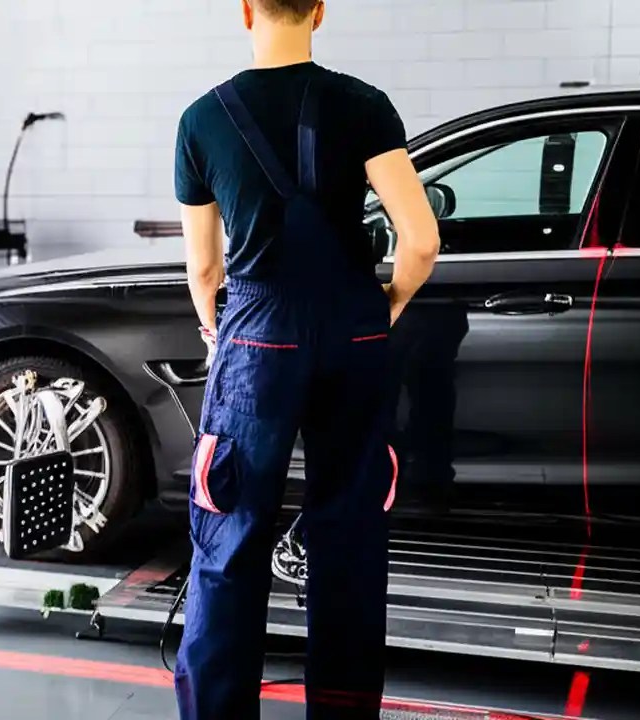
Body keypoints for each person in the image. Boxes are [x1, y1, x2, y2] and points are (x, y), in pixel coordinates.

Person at [173, 1, 441, 717]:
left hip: (256, 332)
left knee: (230, 533)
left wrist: (218, 331)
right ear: (319, 11)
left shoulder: (201, 120)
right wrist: (385, 308)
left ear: (245, 11)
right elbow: (420, 241)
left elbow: (204, 269)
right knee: (349, 538)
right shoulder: (365, 105)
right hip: (355, 331)